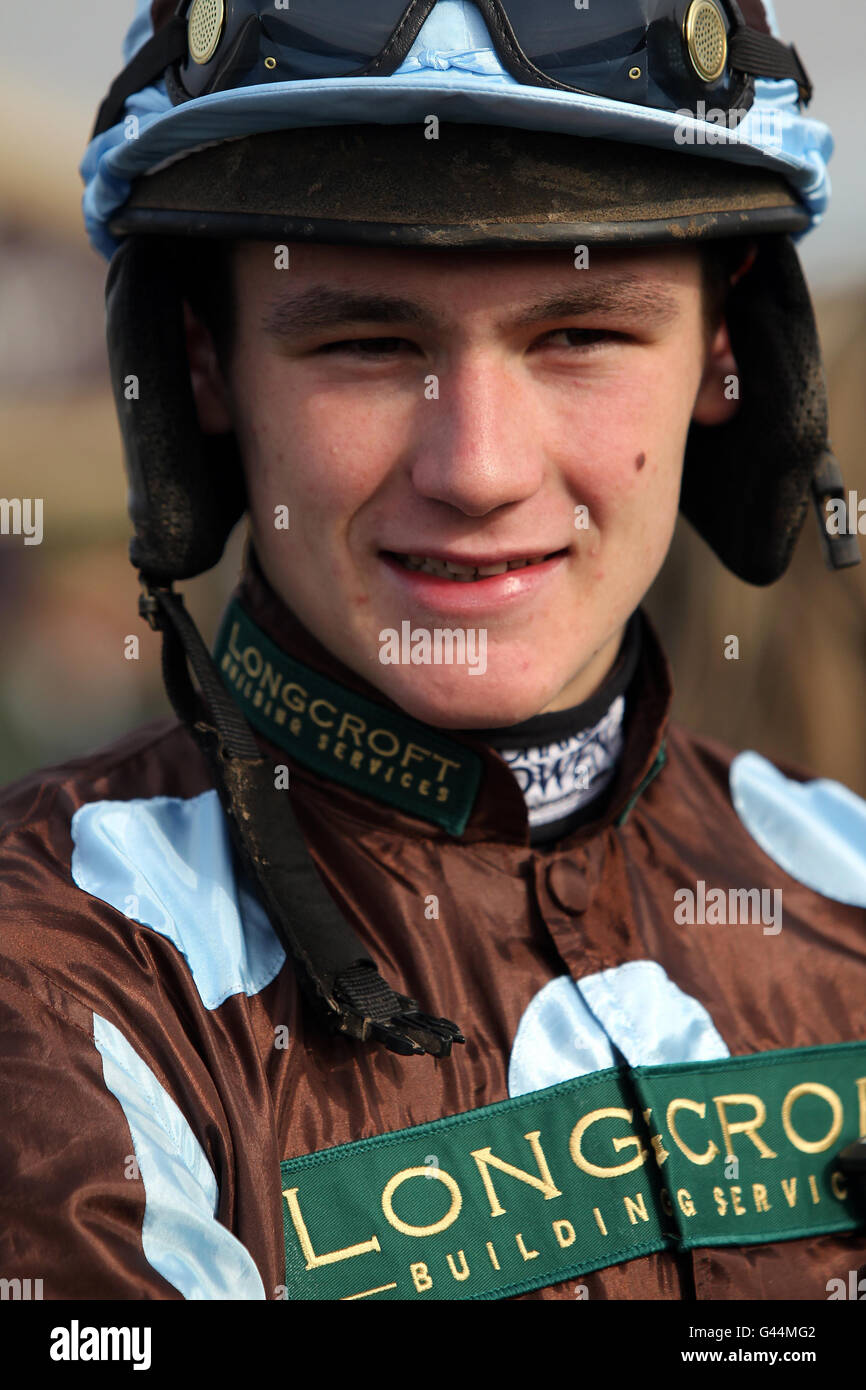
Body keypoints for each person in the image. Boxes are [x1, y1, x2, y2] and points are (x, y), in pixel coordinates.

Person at [1, 0, 865, 1303]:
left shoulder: (845, 879)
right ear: (204, 364)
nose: (477, 468)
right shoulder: (49, 975)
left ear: (724, 354)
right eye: (366, 344)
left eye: (578, 336)